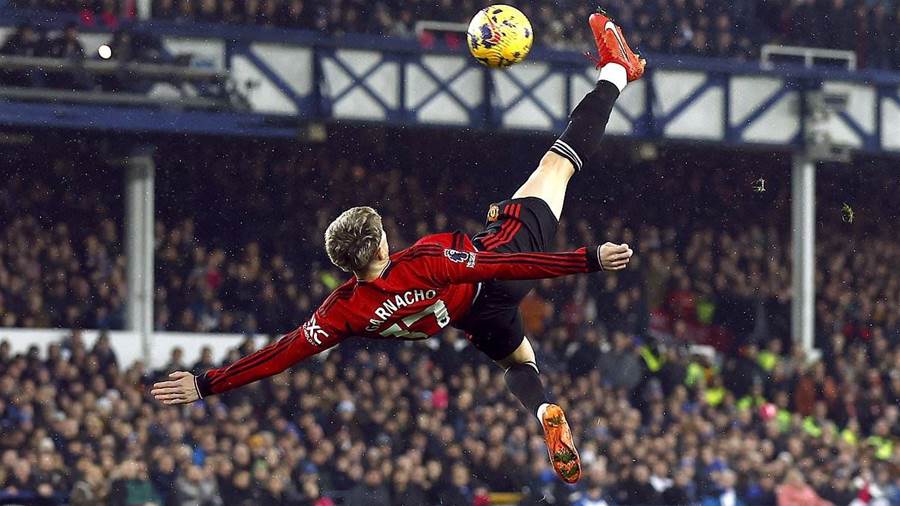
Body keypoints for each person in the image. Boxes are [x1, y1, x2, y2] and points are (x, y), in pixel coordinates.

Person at [151, 7, 645, 484]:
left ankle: (542, 407)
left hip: (472, 319)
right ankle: (616, 71)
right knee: (555, 167)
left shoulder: (341, 311)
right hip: (493, 274)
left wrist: (206, 384)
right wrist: (587, 260)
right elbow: (502, 262)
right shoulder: (423, 261)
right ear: (382, 248)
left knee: (518, 362)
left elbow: (280, 354)